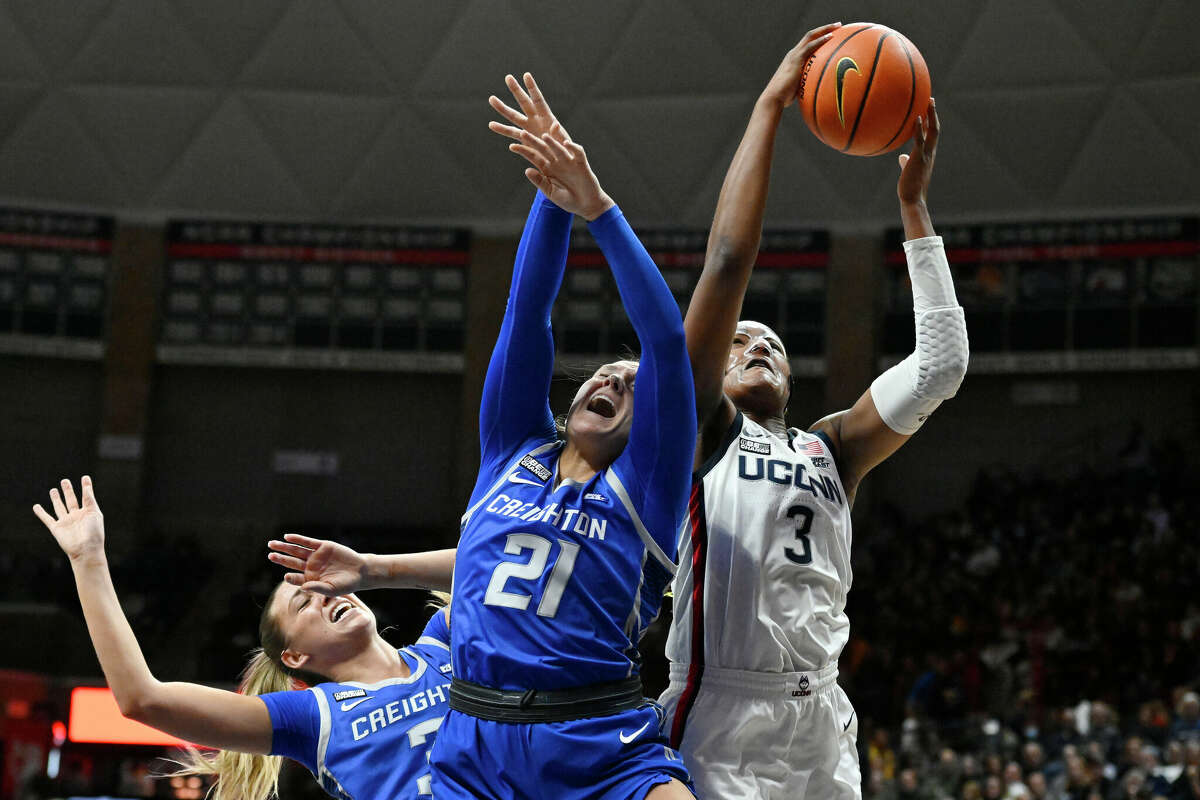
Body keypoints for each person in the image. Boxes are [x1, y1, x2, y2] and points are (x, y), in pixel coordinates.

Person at [656, 23, 969, 800]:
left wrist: (914, 210)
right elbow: (729, 261)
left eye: (774, 345)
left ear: (795, 379)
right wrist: (768, 106)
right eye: (740, 343)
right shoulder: (697, 433)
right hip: (720, 711)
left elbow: (942, 366)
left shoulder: (833, 449)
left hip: (823, 716)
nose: (757, 346)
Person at [34, 476, 453, 800]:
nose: (325, 599)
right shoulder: (310, 717)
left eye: (326, 589)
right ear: (294, 656)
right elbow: (141, 698)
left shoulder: (444, 645)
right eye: (304, 604)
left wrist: (371, 568)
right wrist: (87, 560)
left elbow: (491, 565)